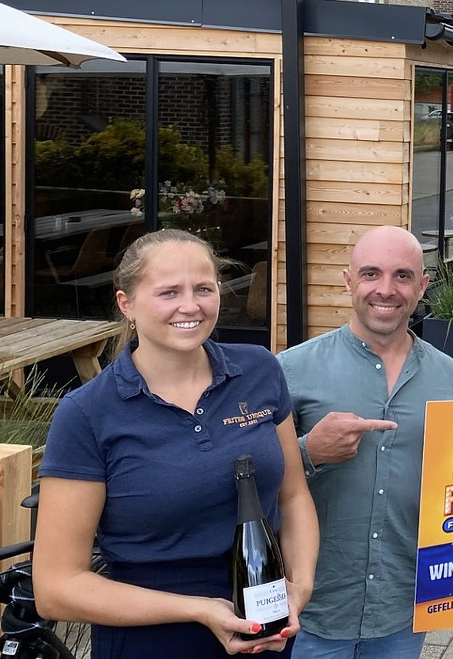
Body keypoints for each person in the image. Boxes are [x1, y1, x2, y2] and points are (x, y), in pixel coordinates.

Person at [35, 229, 318, 658]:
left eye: (203, 288)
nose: (191, 306)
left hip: (266, 632)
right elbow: (57, 587)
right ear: (126, 304)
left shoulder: (259, 371)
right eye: (169, 292)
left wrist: (300, 587)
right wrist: (199, 610)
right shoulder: (88, 413)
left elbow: (293, 496)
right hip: (151, 638)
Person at [278, 226, 453, 659]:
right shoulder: (289, 371)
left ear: (422, 286)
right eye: (371, 274)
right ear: (348, 281)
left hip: (402, 607)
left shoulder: (449, 375)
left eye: (402, 276)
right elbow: (249, 477)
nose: (386, 289)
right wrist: (308, 453)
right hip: (314, 609)